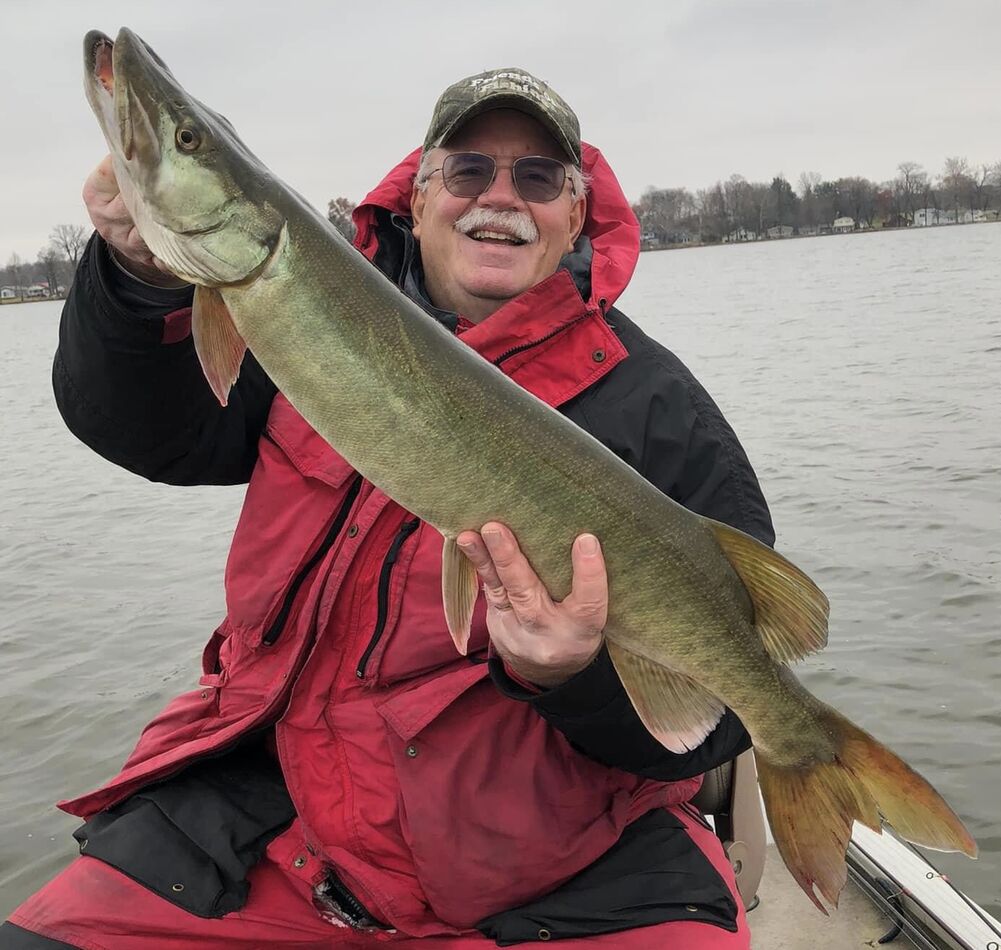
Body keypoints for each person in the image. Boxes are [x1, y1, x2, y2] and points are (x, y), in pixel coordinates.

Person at [3, 68, 774, 949]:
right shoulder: (289, 312)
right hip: (276, 814)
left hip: (558, 862)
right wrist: (141, 283)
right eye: (468, 170)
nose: (500, 197)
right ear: (417, 194)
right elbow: (156, 434)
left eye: (537, 178)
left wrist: (570, 678)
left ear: (574, 213)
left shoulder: (661, 409)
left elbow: (720, 714)